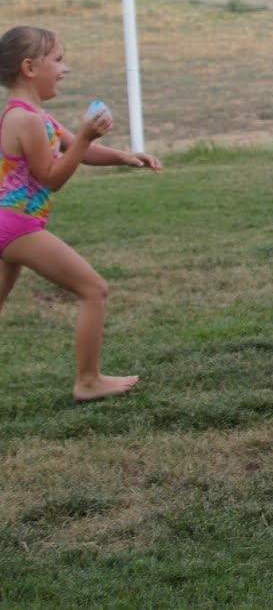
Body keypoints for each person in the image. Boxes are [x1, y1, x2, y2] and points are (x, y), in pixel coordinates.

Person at [0, 26, 163, 400]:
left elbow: (78, 150)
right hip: (18, 227)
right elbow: (52, 177)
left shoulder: (34, 115)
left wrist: (126, 157)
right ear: (28, 67)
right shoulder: (26, 120)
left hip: (9, 224)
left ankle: (89, 380)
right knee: (94, 290)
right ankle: (88, 381)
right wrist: (87, 136)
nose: (65, 68)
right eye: (57, 59)